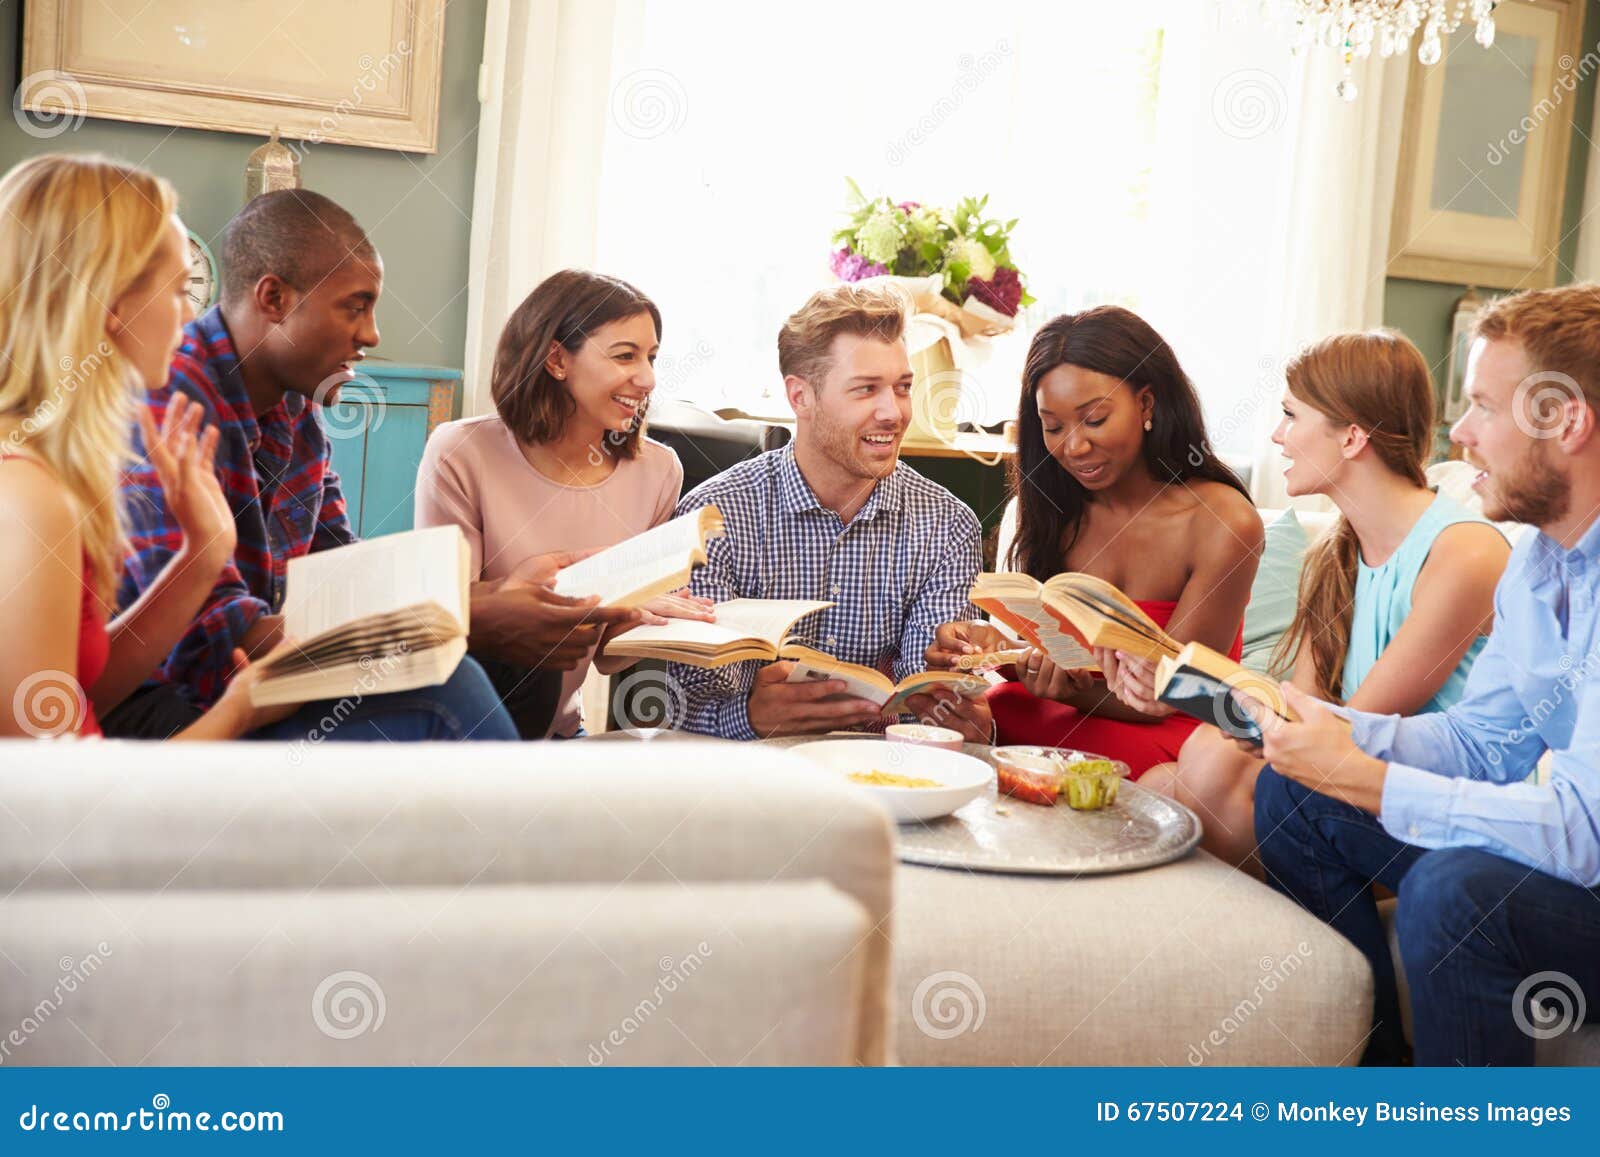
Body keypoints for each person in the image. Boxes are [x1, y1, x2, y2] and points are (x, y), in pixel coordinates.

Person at [1251, 283, 1600, 1066]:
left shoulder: (1484, 550)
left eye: (1482, 405)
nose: (1461, 433)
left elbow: (1582, 837)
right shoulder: (1538, 565)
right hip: (1577, 861)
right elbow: (1483, 743)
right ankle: (1374, 1076)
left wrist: (1369, 779)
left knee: (1453, 892)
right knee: (1294, 792)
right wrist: (1339, 737)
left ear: (1567, 421)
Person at [109, 187, 530, 741]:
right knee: (452, 692)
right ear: (274, 298)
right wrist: (466, 618)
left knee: (513, 666)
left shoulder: (297, 404)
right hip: (170, 703)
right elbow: (208, 641)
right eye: (355, 306)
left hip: (255, 676)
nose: (372, 335)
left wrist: (488, 603)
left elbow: (335, 567)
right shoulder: (172, 396)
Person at [1139, 331, 1508, 866]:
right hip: (1346, 767)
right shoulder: (1338, 551)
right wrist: (1174, 691)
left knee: (1207, 767)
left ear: (1353, 437)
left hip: (1418, 798)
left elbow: (1358, 726)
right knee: (1165, 779)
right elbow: (1304, 706)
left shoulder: (1463, 552)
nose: (1276, 435)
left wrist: (1242, 723)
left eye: (1291, 415)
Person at [0, 154, 320, 739]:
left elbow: (75, 695)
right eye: (177, 291)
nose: (191, 314)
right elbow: (61, 809)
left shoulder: (41, 470)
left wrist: (203, 553)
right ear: (112, 305)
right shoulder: (26, 497)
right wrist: (240, 709)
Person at [929, 306, 1262, 775]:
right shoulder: (1049, 507)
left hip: (1156, 731)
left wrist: (1066, 687)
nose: (1073, 447)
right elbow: (1044, 644)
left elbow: (1178, 692)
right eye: (1053, 426)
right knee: (959, 726)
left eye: (1095, 419)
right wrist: (992, 650)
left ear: (1146, 404)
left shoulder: (1224, 521)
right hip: (1047, 712)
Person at [671, 283, 989, 741]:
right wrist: (751, 718)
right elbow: (683, 712)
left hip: (890, 786)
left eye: (902, 388)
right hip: (747, 789)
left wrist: (962, 719)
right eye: (866, 390)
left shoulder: (948, 525)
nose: (893, 413)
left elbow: (924, 705)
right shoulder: (712, 517)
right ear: (800, 397)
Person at [416, 269, 712, 737]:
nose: (648, 378)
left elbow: (610, 657)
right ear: (557, 359)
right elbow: (445, 621)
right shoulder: (460, 451)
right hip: (461, 732)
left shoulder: (658, 471)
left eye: (652, 357)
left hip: (560, 733)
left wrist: (645, 614)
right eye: (625, 356)